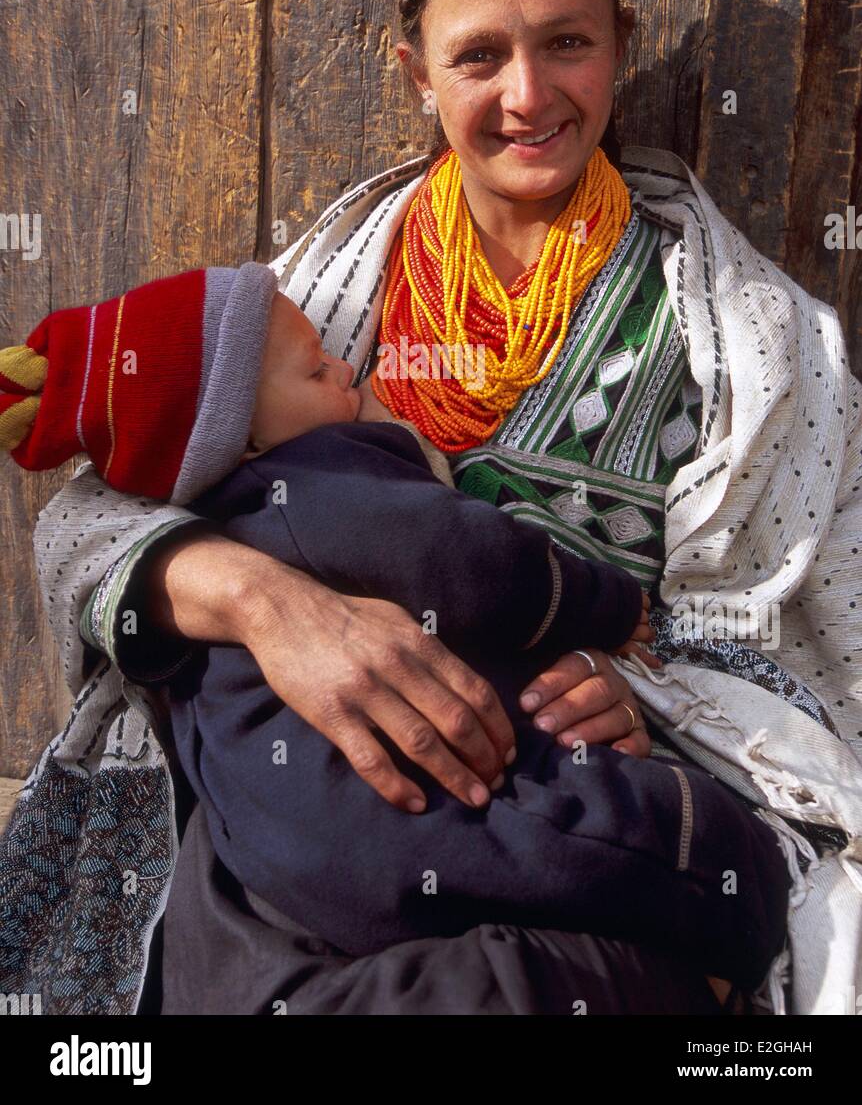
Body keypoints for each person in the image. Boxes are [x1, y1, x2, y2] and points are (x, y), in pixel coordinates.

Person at [3, 0, 860, 1017]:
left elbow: (822, 643)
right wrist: (257, 599)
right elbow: (87, 518)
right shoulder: (312, 306)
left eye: (566, 41)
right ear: (415, 73)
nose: (528, 94)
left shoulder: (758, 350)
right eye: (478, 55)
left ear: (618, 44)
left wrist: (658, 695)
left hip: (569, 864)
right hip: (293, 851)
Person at [0, 270, 790, 990]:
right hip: (410, 804)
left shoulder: (730, 314)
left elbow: (775, 610)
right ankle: (722, 896)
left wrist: (630, 674)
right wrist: (600, 602)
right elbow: (466, 558)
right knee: (650, 844)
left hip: (311, 853)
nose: (347, 370)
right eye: (319, 371)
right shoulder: (332, 344)